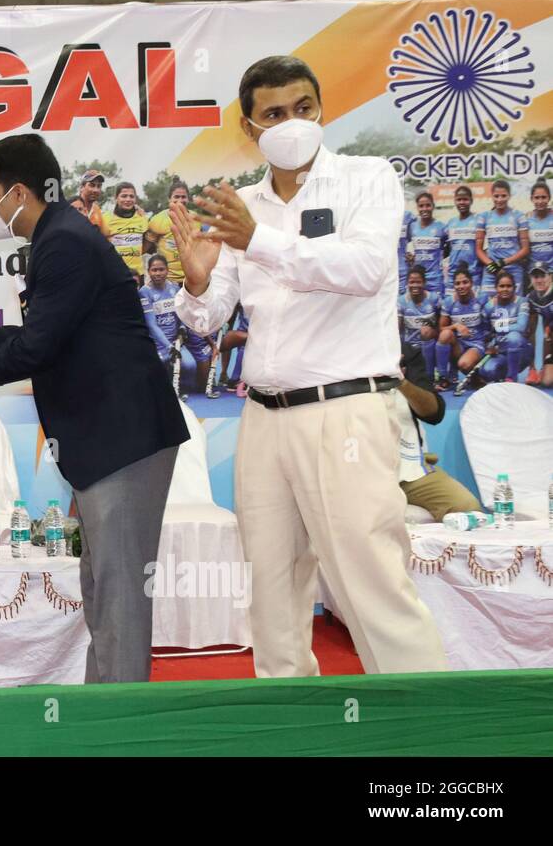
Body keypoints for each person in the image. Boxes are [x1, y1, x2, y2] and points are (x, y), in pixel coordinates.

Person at [170, 54, 447, 677]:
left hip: (347, 408)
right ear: (249, 128)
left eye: (304, 108)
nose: (292, 122)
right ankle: (289, 720)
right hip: (265, 415)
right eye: (274, 114)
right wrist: (195, 282)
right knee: (269, 587)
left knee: (369, 582)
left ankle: (431, 734)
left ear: (322, 110)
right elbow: (208, 318)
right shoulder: (243, 205)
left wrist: (258, 241)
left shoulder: (366, 178)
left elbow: (364, 270)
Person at [0, 132, 189, 684]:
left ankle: (121, 724)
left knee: (119, 595)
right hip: (107, 442)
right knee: (100, 586)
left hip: (123, 440)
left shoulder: (62, 241)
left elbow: (37, 349)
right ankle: (104, 710)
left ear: (18, 192)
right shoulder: (58, 237)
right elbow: (45, 336)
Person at [395, 341, 482, 520]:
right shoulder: (340, 357)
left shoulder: (403, 353)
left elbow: (433, 414)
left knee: (467, 509)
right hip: (357, 466)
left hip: (408, 468)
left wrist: (400, 382)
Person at [140, 254, 213, 392]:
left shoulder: (174, 288)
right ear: (148, 271)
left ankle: (178, 388)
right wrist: (168, 347)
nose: (158, 273)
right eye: (154, 270)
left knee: (190, 365)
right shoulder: (144, 292)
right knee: (157, 367)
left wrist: (181, 328)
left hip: (175, 343)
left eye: (161, 269)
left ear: (167, 270)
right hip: (158, 345)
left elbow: (182, 314)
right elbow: (151, 325)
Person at [435, 266, 488, 391]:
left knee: (464, 364)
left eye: (465, 282)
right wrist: (456, 325)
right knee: (445, 334)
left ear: (471, 283)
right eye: (457, 283)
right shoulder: (449, 302)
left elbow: (490, 322)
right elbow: (441, 328)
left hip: (476, 344)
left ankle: (475, 377)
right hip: (458, 345)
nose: (461, 286)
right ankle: (443, 377)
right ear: (453, 286)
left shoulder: (481, 298)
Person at [476, 179, 529, 294]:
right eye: (496, 196)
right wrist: (491, 264)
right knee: (487, 306)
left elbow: (525, 249)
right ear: (492, 196)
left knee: (515, 304)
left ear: (509, 196)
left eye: (503, 196)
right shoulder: (484, 217)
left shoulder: (519, 216)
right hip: (492, 269)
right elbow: (478, 249)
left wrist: (504, 262)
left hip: (514, 268)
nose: (499, 200)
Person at [478, 271, 531, 384]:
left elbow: (521, 327)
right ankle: (505, 374)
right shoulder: (489, 307)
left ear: (514, 287)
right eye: (502, 286)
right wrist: (489, 346)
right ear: (496, 288)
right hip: (501, 351)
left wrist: (498, 326)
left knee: (514, 337)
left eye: (509, 286)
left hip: (522, 351)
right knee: (488, 371)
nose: (505, 289)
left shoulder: (522, 302)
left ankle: (512, 378)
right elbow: (485, 334)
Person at [146, 179, 190, 284]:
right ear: (169, 199)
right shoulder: (157, 220)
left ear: (188, 199)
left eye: (183, 197)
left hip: (190, 279)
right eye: (176, 197)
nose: (180, 200)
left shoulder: (196, 220)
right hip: (167, 281)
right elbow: (145, 249)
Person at [399, 265, 439, 371]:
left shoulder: (434, 298)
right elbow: (398, 329)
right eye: (412, 282)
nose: (415, 285)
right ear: (407, 284)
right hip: (410, 346)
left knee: (425, 331)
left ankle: (430, 372)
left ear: (424, 283)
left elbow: (440, 324)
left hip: (430, 343)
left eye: (418, 282)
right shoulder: (401, 301)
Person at [406, 192, 448, 295]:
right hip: (418, 280)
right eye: (421, 206)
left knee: (437, 308)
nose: (424, 209)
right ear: (417, 208)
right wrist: (409, 256)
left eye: (428, 205)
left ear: (433, 206)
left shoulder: (441, 227)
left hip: (435, 279)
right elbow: (404, 243)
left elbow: (450, 247)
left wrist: (439, 256)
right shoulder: (412, 227)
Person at [108, 181, 148, 279]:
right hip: (115, 274)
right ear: (116, 198)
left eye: (131, 196)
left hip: (138, 275)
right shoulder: (106, 218)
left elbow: (147, 242)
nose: (128, 199)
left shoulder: (142, 217)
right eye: (124, 196)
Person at [446, 184, 480, 284]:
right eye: (459, 199)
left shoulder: (478, 220)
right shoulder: (451, 223)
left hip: (473, 273)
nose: (462, 202)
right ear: (455, 201)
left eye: (465, 199)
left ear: (471, 201)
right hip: (453, 274)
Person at [526, 264, 553, 387]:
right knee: (547, 382)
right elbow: (532, 328)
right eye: (535, 277)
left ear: (550, 277)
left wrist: (550, 327)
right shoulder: (531, 298)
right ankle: (533, 369)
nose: (539, 280)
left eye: (543, 276)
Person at [70, 167, 110, 238]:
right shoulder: (71, 206)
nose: (96, 190)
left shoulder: (97, 210)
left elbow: (106, 235)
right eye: (92, 185)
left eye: (99, 186)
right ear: (82, 187)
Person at [526, 180, 553, 280]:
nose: (540, 201)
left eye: (543, 197)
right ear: (531, 199)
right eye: (537, 198)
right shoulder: (526, 220)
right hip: (533, 273)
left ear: (549, 198)